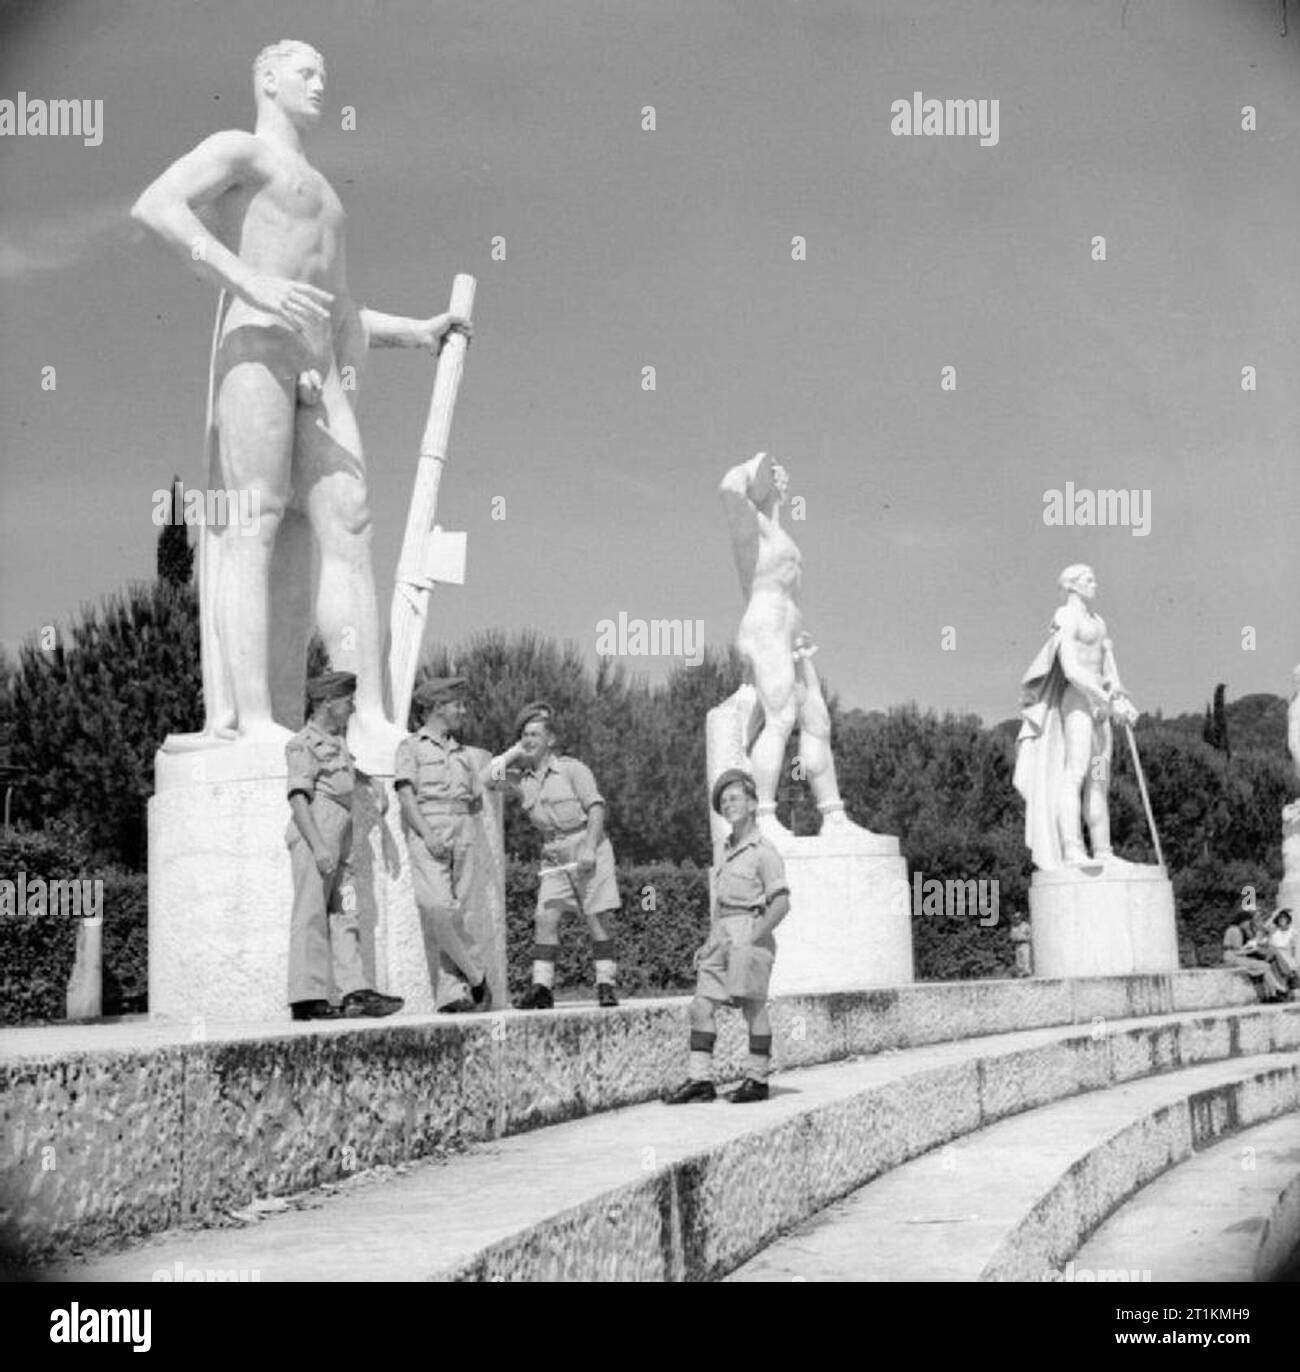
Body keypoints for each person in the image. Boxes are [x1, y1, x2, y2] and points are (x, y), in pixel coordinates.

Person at [131, 41, 470, 773]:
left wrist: (416, 332)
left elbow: (340, 309)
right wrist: (248, 281)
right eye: (306, 74)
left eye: (325, 76)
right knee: (251, 520)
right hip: (255, 345)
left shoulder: (328, 195)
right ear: (267, 79)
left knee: (349, 522)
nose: (320, 85)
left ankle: (370, 717)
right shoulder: (241, 152)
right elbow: (156, 205)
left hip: (320, 362)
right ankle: (253, 719)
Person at [719, 453, 852, 834]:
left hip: (791, 635)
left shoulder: (780, 534)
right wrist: (754, 466)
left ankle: (834, 815)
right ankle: (762, 816)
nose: (782, 479)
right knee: (779, 719)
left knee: (818, 722)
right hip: (765, 629)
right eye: (774, 475)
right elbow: (728, 487)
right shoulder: (750, 525)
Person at [663, 769, 791, 1105]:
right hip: (721, 937)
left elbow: (781, 904)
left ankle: (757, 1080)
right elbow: (719, 904)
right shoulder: (723, 849)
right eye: (723, 801)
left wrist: (752, 939)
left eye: (734, 798)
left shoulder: (764, 852)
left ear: (751, 803)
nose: (728, 804)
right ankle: (700, 1080)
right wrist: (708, 942)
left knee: (752, 1008)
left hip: (750, 932)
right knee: (701, 1006)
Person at [483, 702, 620, 1009]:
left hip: (585, 843)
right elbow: (487, 778)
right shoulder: (521, 779)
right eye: (524, 735)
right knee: (545, 917)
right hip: (553, 854)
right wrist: (514, 751)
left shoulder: (572, 769)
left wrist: (588, 848)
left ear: (551, 740)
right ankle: (542, 989)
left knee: (596, 916)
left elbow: (596, 807)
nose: (529, 739)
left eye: (535, 734)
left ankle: (606, 983)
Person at [285, 671, 404, 1020]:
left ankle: (354, 992)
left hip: (344, 834)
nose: (351, 707)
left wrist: (369, 781)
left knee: (346, 911)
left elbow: (342, 776)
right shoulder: (302, 743)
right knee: (310, 912)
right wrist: (320, 846)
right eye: (346, 700)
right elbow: (297, 798)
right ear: (326, 703)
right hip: (316, 831)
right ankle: (306, 998)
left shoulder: (337, 742)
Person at [1014, 565, 1140, 868]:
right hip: (1079, 704)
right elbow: (1070, 668)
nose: (1095, 584)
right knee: (1075, 773)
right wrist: (1105, 696)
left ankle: (1103, 850)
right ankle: (1071, 849)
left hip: (1100, 709)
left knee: (1099, 779)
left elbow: (1109, 672)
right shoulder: (1065, 617)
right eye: (1088, 580)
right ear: (1071, 586)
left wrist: (1120, 699)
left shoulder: (1099, 622)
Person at [393, 677, 491, 1013]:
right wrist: (429, 833)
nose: (463, 711)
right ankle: (477, 975)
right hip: (428, 828)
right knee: (436, 906)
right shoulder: (412, 747)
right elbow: (406, 796)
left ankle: (453, 994)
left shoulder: (461, 752)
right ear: (437, 708)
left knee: (458, 911)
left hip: (462, 828)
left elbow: (477, 799)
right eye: (457, 705)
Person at [1222, 911, 1287, 1003]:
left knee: (1264, 966)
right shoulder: (1235, 930)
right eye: (1247, 922)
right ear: (1242, 921)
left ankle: (1275, 991)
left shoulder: (1234, 929)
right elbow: (1238, 950)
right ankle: (1277, 988)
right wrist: (1252, 949)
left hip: (1233, 956)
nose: (1248, 925)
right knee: (1264, 966)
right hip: (1233, 957)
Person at [1264, 909, 1298, 992]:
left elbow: (1294, 948)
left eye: (1284, 918)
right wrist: (1276, 912)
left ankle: (1284, 986)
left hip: (1285, 956)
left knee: (1279, 961)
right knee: (1274, 954)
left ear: (1288, 920)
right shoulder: (1275, 931)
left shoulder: (1292, 932)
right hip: (1273, 954)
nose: (1281, 920)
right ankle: (1288, 978)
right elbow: (1265, 925)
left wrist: (1293, 961)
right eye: (1279, 919)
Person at [1010, 913, 1033, 977]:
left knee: (1025, 959)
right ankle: (1020, 973)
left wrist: (1024, 938)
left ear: (1021, 918)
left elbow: (1030, 935)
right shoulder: (1014, 927)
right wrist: (1014, 938)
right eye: (1015, 918)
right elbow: (1012, 936)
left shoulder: (1026, 926)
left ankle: (1027, 973)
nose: (1016, 920)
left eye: (1018, 918)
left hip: (1024, 944)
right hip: (1017, 944)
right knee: (1018, 960)